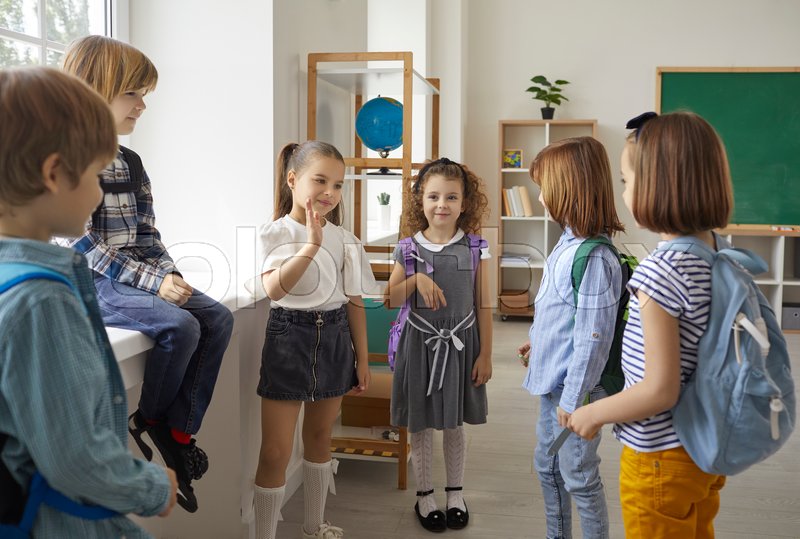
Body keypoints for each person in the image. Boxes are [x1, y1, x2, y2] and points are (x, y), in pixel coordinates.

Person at [0, 65, 177, 538]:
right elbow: (76, 457)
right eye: (96, 175)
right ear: (55, 173)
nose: (101, 192)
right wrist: (154, 487)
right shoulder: (40, 301)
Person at [60, 35, 234, 513]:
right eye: (133, 93)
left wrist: (169, 275)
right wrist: (154, 284)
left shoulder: (131, 162)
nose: (142, 106)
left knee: (216, 317)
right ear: (97, 89)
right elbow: (79, 244)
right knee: (179, 325)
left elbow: (148, 235)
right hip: (89, 281)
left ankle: (176, 430)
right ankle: (154, 419)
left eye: (144, 95)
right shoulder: (65, 158)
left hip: (135, 274)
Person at [568, 112, 732, 538]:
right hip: (704, 445)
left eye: (626, 180)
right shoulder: (717, 255)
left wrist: (594, 412)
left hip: (660, 454)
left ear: (658, 185)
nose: (623, 193)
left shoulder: (660, 273)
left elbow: (660, 389)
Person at [250, 141, 376, 539]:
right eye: (320, 180)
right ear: (292, 179)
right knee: (275, 451)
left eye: (337, 185)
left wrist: (363, 359)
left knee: (321, 437)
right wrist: (311, 245)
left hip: (337, 337)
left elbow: (355, 301)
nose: (329, 192)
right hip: (289, 338)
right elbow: (273, 289)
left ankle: (313, 525)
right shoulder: (277, 232)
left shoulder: (346, 238)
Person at [516, 137, 624, 539]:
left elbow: (593, 337)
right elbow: (558, 309)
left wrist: (574, 400)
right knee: (548, 467)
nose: (540, 197)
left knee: (578, 476)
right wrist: (538, 341)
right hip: (556, 386)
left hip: (574, 393)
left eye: (545, 187)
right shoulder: (566, 242)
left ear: (569, 189)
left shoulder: (594, 256)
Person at [386, 157, 492, 533]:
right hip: (419, 345)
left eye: (451, 196)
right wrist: (415, 282)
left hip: (461, 345)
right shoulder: (408, 249)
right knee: (421, 422)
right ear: (421, 200)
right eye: (433, 196)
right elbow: (389, 297)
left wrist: (486, 354)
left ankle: (455, 494)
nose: (442, 204)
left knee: (453, 422)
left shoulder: (475, 248)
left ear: (465, 202)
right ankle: (425, 495)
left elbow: (482, 304)